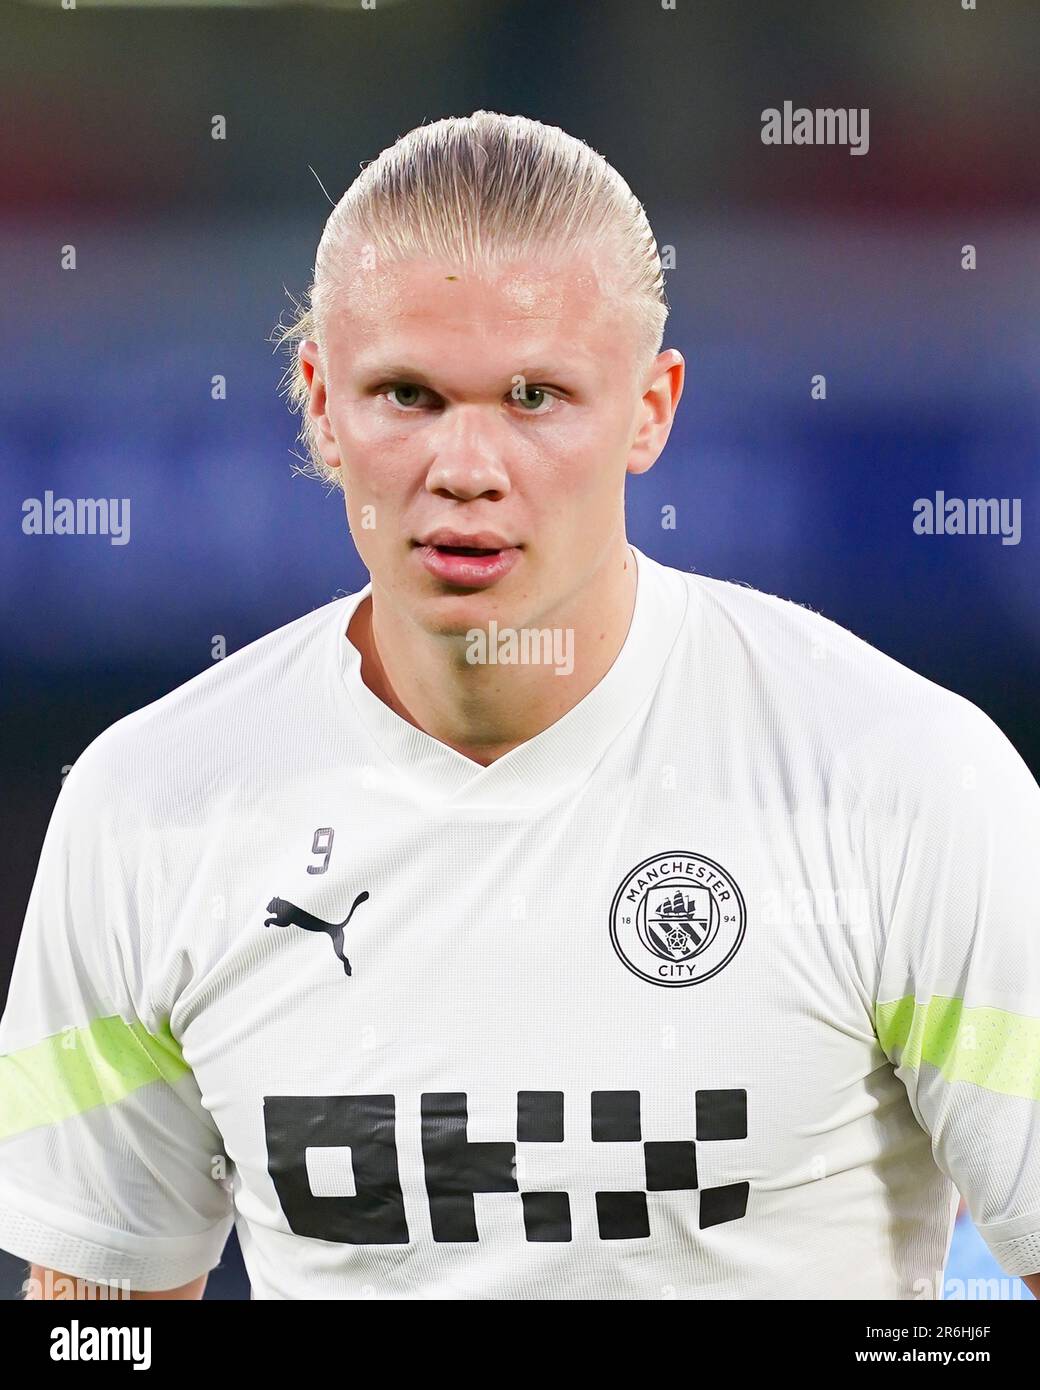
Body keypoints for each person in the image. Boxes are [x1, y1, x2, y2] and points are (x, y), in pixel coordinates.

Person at [1, 111, 1038, 1301]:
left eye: (536, 396)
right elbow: (97, 1319)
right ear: (320, 405)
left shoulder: (902, 782)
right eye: (407, 395)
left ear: (650, 410)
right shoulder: (146, 808)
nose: (467, 466)